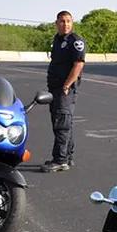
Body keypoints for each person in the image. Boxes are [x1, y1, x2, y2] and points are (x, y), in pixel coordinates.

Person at [43, 10, 85, 172]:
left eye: (68, 21)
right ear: (56, 23)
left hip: (64, 90)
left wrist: (67, 85)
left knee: (62, 124)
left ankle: (60, 160)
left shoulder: (75, 41)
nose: (65, 24)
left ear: (72, 23)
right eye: (62, 21)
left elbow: (79, 64)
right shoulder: (58, 39)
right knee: (64, 122)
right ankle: (67, 156)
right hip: (55, 88)